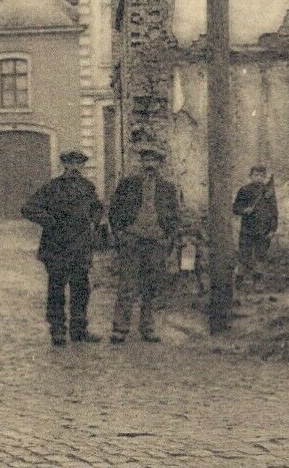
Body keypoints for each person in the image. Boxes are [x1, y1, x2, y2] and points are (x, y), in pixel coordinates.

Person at [20, 149, 105, 346]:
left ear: (82, 167)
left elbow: (97, 208)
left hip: (80, 248)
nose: (75, 168)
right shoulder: (52, 187)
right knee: (56, 290)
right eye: (71, 164)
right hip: (56, 247)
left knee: (81, 289)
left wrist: (94, 221)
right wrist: (51, 222)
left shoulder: (88, 188)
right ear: (64, 165)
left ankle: (78, 329)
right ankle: (57, 330)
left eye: (79, 164)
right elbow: (29, 208)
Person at [107, 141, 180, 342]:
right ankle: (120, 328)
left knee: (151, 286)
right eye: (146, 159)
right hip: (132, 240)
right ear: (141, 162)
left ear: (160, 164)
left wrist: (168, 239)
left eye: (154, 160)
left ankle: (147, 328)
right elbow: (114, 211)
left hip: (156, 242)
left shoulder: (168, 188)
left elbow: (175, 216)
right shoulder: (128, 184)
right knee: (127, 285)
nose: (150, 164)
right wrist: (120, 234)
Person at [231, 164, 278, 292]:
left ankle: (258, 281)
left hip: (264, 230)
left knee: (260, 256)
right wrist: (244, 210)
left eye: (261, 175)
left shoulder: (268, 192)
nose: (259, 178)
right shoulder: (244, 190)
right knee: (244, 256)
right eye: (256, 175)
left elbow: (274, 212)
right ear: (250, 176)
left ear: (264, 177)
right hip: (247, 230)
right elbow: (235, 208)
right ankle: (238, 280)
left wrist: (273, 230)